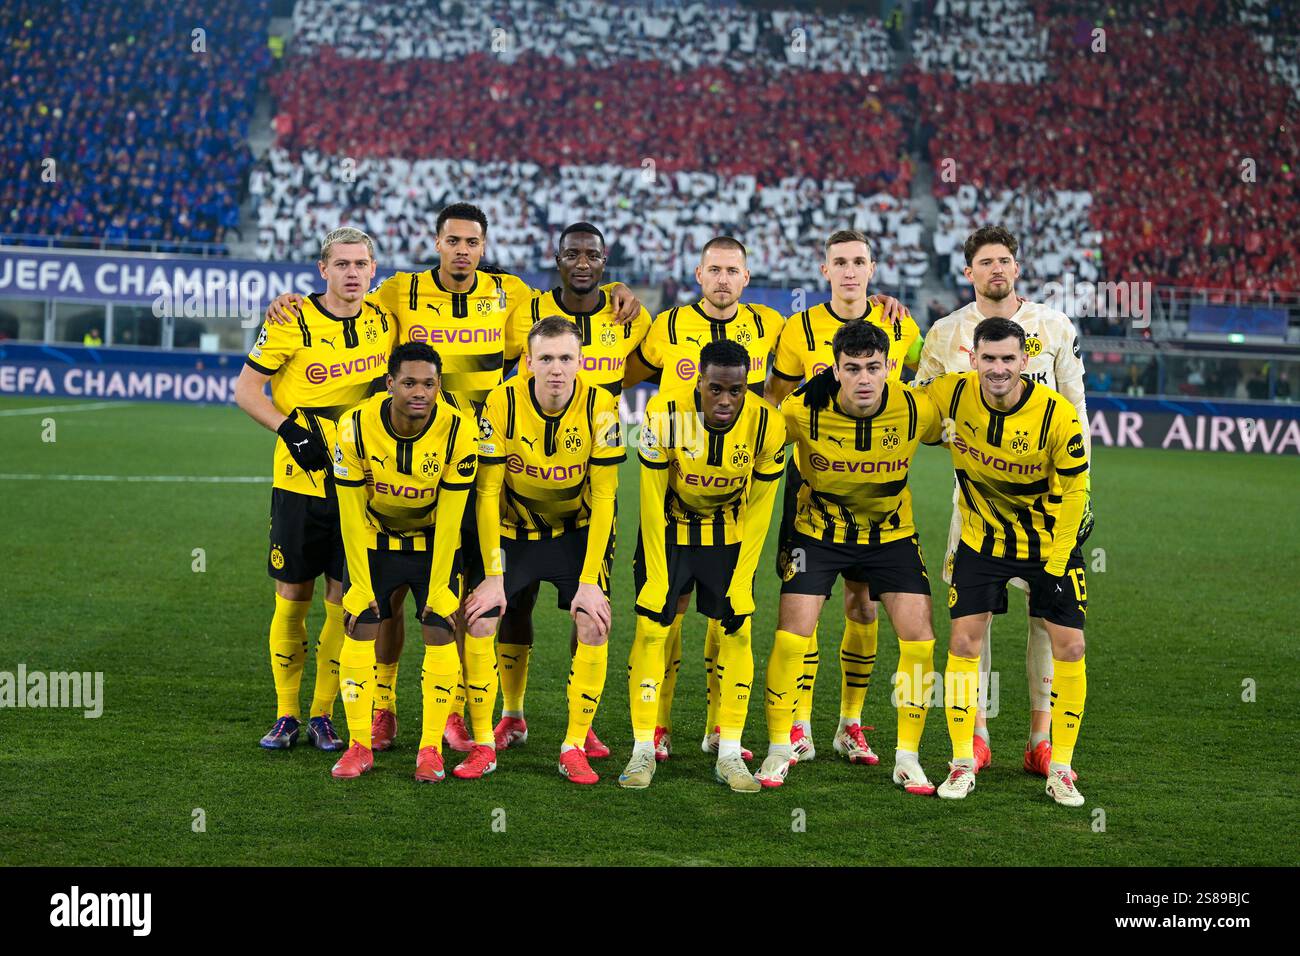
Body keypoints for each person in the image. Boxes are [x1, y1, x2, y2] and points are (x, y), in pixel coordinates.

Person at [263, 203, 642, 757]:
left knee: (460, 596)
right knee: (384, 596)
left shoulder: (512, 293)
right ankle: (384, 706)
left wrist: (619, 287)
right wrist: (291, 298)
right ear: (437, 242)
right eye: (454, 240)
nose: (463, 250)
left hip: (474, 461)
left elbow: (573, 295)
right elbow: (343, 298)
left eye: (473, 242)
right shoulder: (397, 292)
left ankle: (458, 711)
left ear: (483, 248)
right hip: (397, 455)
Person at [915, 225, 1091, 779]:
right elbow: (924, 408)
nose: (997, 269)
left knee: (1048, 616)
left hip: (1048, 503)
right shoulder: (945, 332)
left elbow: (1076, 411)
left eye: (1005, 260)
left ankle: (1041, 737)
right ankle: (979, 733)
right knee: (975, 618)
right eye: (985, 261)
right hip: (976, 504)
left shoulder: (1054, 326)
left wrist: (1082, 494)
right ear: (968, 272)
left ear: (1017, 268)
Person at [759, 320, 942, 792]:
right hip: (818, 533)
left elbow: (971, 406)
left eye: (874, 368)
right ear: (835, 370)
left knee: (919, 638)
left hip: (890, 534)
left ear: (890, 369)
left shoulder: (916, 409)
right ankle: (781, 746)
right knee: (791, 634)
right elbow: (753, 434)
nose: (864, 378)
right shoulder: (802, 411)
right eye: (853, 368)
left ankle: (905, 756)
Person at [490, 222, 650, 759]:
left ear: (606, 262)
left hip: (587, 478)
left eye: (593, 255)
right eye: (572, 254)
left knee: (591, 611)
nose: (582, 263)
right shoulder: (523, 309)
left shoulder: (630, 314)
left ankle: (580, 730)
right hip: (517, 475)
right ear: (556, 259)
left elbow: (655, 366)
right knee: (510, 609)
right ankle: (510, 717)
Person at [234, 226, 396, 751]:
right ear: (323, 269)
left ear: (374, 270)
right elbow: (244, 391)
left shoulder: (383, 322)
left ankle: (323, 715)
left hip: (358, 484)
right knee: (292, 599)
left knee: (342, 602)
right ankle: (286, 714)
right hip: (299, 483)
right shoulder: (292, 319)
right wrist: (288, 430)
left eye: (361, 264)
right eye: (342, 264)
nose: (352, 273)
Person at [462, 317, 624, 784]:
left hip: (577, 532)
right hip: (512, 531)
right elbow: (487, 492)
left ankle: (575, 741)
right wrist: (493, 576)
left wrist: (591, 582)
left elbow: (607, 498)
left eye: (566, 358)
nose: (556, 368)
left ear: (580, 362)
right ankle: (492, 736)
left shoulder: (603, 407)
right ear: (528, 361)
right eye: (546, 358)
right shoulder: (501, 401)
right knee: (480, 616)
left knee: (594, 621)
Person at [622, 340, 786, 792]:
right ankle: (642, 750)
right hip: (670, 534)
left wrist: (742, 580)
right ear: (699, 381)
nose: (725, 401)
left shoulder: (767, 423)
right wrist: (657, 576)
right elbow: (651, 501)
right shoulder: (663, 414)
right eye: (716, 389)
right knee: (652, 629)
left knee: (738, 629)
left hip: (730, 538)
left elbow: (761, 509)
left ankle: (730, 754)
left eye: (735, 391)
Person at [328, 341, 479, 781]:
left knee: (441, 625)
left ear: (439, 387)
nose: (420, 392)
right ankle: (360, 744)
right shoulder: (355, 426)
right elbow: (350, 515)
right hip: (373, 539)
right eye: (409, 382)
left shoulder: (459, 431)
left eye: (429, 384)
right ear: (390, 382)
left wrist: (440, 587)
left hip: (433, 543)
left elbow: (451, 520)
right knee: (359, 622)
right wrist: (357, 582)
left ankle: (429, 749)